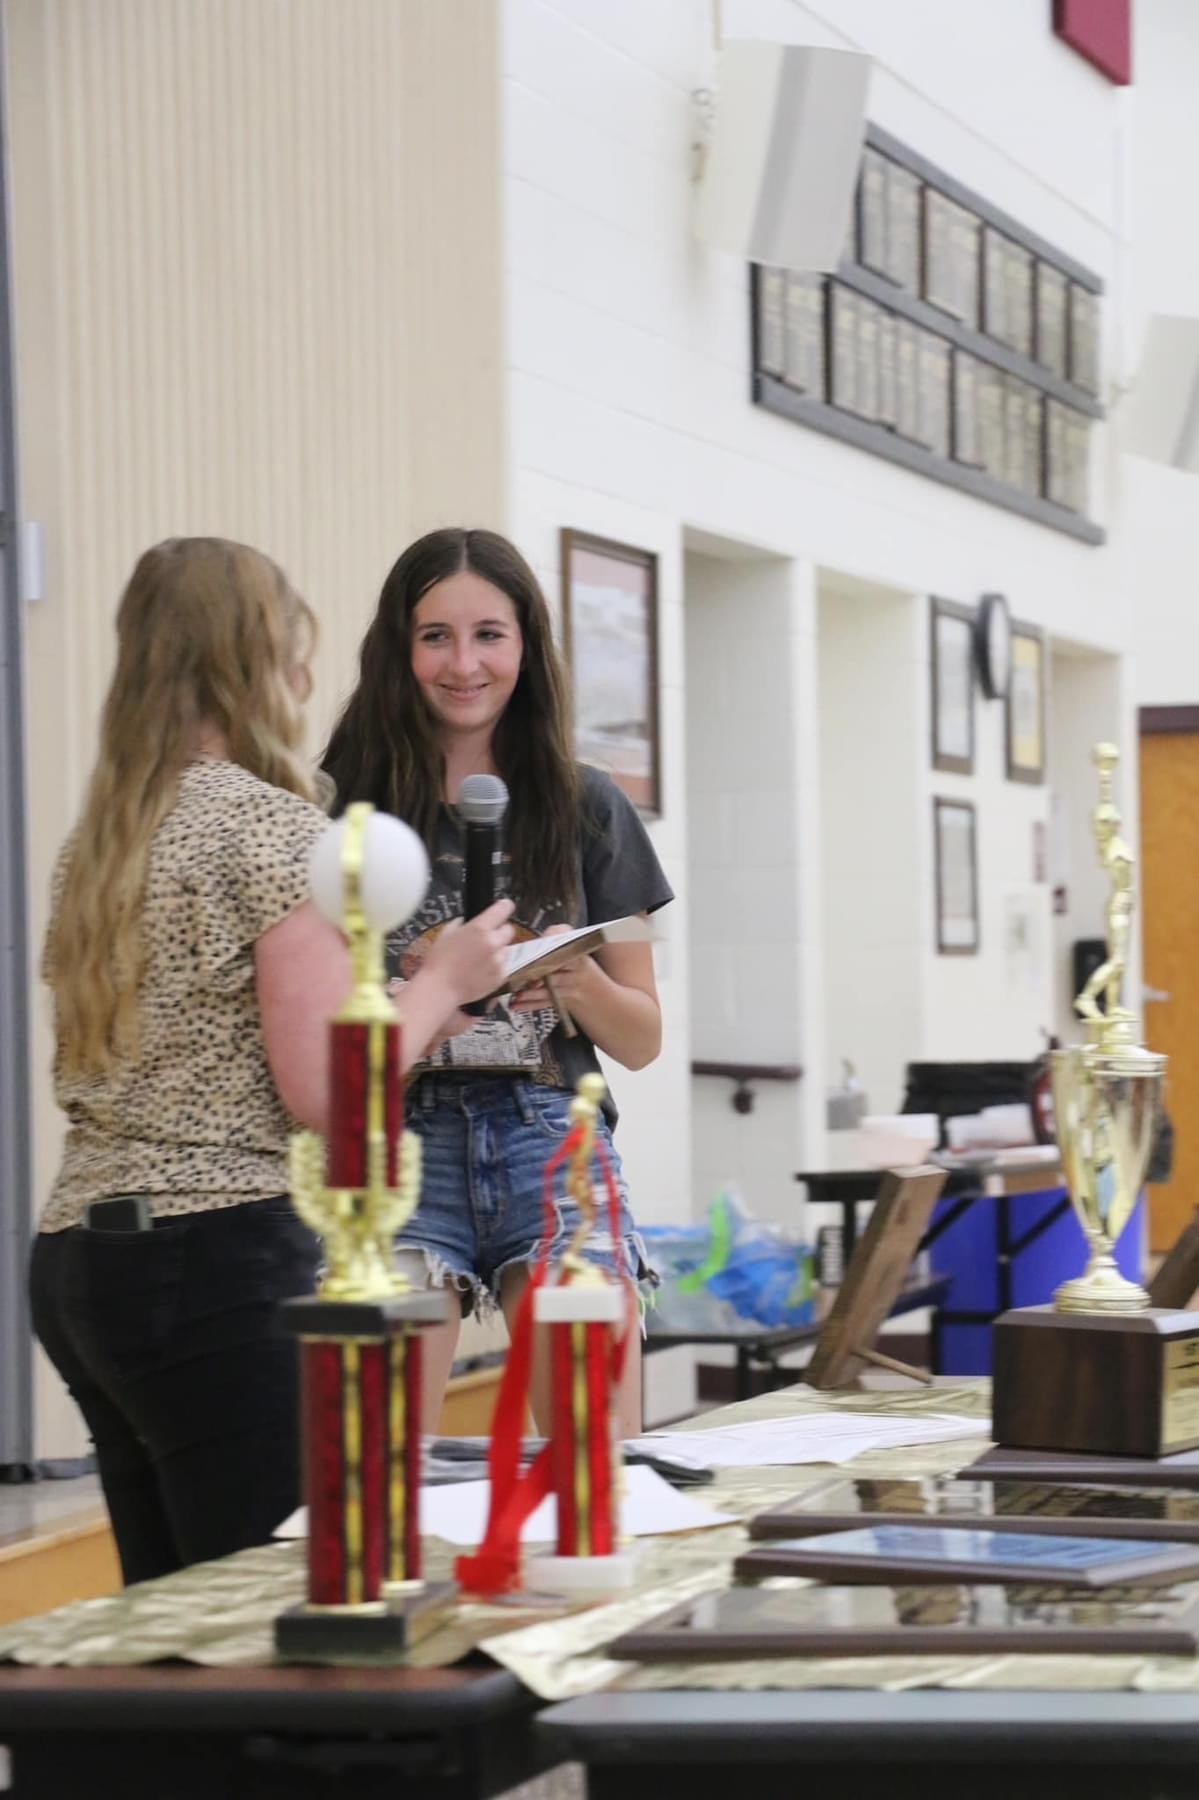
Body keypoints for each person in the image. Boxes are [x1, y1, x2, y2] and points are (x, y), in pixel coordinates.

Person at [29, 537, 515, 1585]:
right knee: (271, 1603)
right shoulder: (270, 830)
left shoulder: (102, 838)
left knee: (166, 1622)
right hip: (212, 1262)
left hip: (81, 1256)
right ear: (256, 662)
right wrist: (445, 983)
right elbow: (328, 1094)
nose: (305, 681)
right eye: (296, 653)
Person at [321, 527, 674, 1435]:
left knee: (596, 1470)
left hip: (552, 1135)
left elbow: (640, 1038)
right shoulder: (343, 800)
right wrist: (420, 985)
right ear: (398, 649)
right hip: (398, 1141)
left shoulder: (587, 801)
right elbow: (313, 1024)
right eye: (435, 635)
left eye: (489, 634)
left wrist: (572, 978)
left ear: (526, 645)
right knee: (375, 1474)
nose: (464, 663)